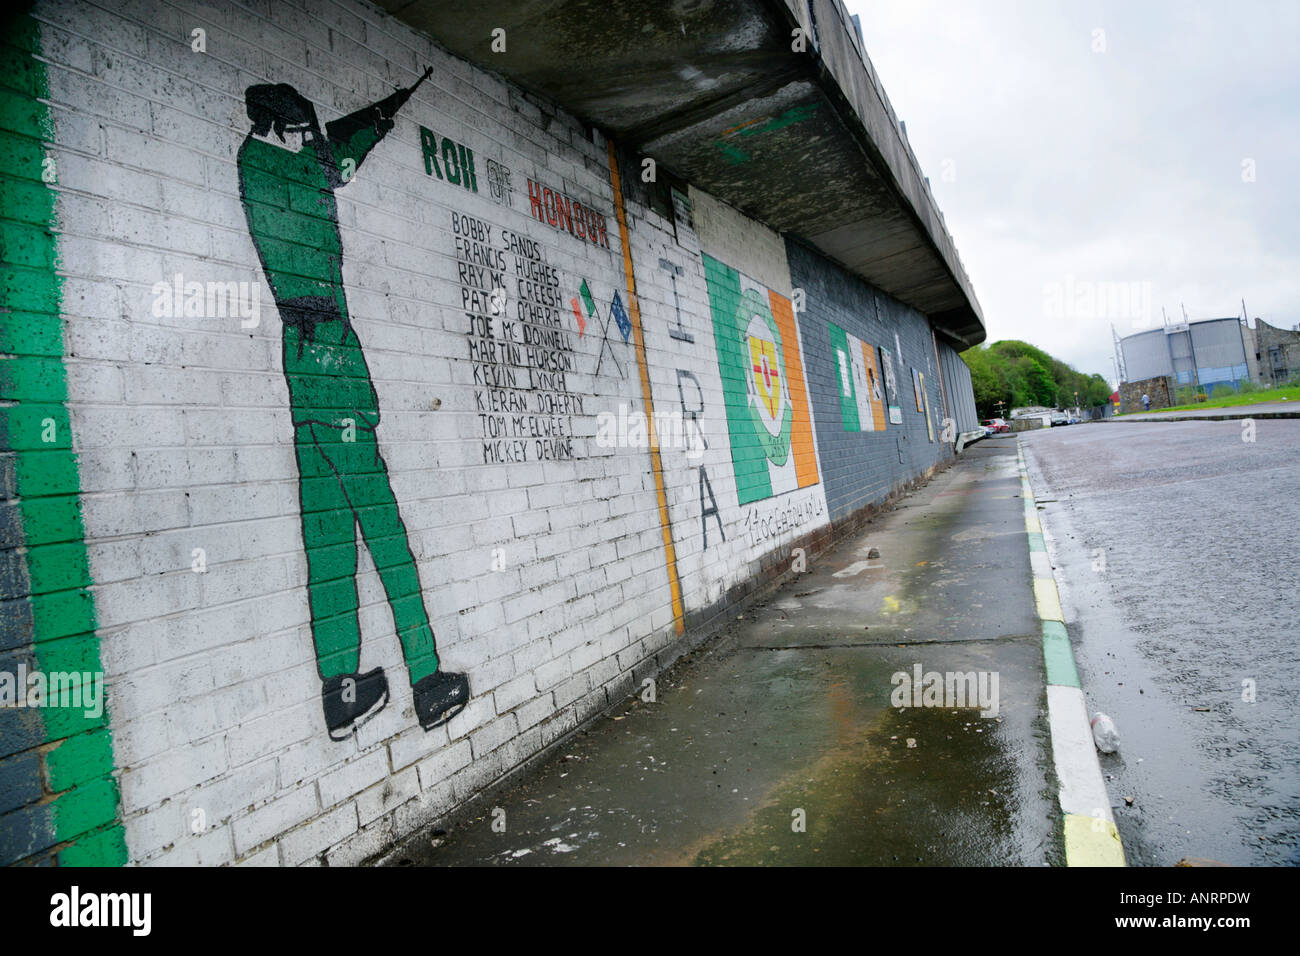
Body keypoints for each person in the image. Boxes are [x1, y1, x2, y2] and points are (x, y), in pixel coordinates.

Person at [237, 75, 470, 740]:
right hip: (332, 361)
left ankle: (343, 692)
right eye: (303, 131)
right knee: (386, 533)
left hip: (303, 372)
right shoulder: (288, 178)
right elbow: (336, 159)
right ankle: (428, 680)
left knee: (329, 539)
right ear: (282, 131)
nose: (313, 140)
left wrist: (374, 118)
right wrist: (372, 125)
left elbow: (335, 150)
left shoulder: (256, 166)